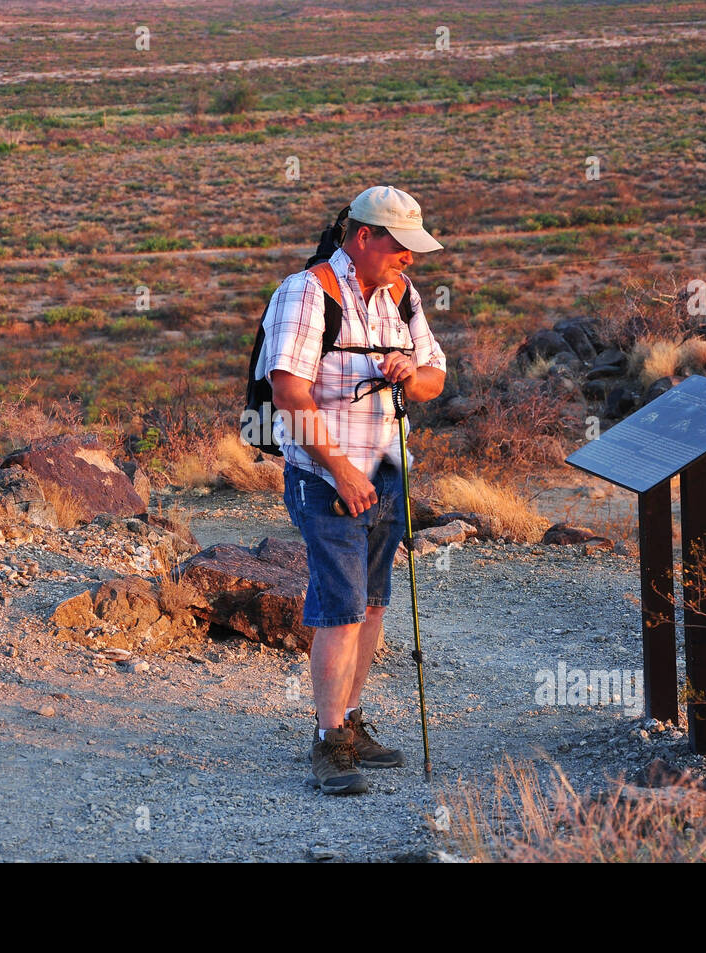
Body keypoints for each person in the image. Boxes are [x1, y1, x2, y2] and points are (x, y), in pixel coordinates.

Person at [258, 185, 446, 795]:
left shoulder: (400, 295)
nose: (409, 259)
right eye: (399, 246)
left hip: (389, 470)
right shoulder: (308, 292)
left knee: (371, 604)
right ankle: (328, 739)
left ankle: (351, 721)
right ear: (363, 237)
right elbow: (289, 392)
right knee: (341, 606)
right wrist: (340, 469)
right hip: (327, 477)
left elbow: (436, 377)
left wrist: (409, 374)